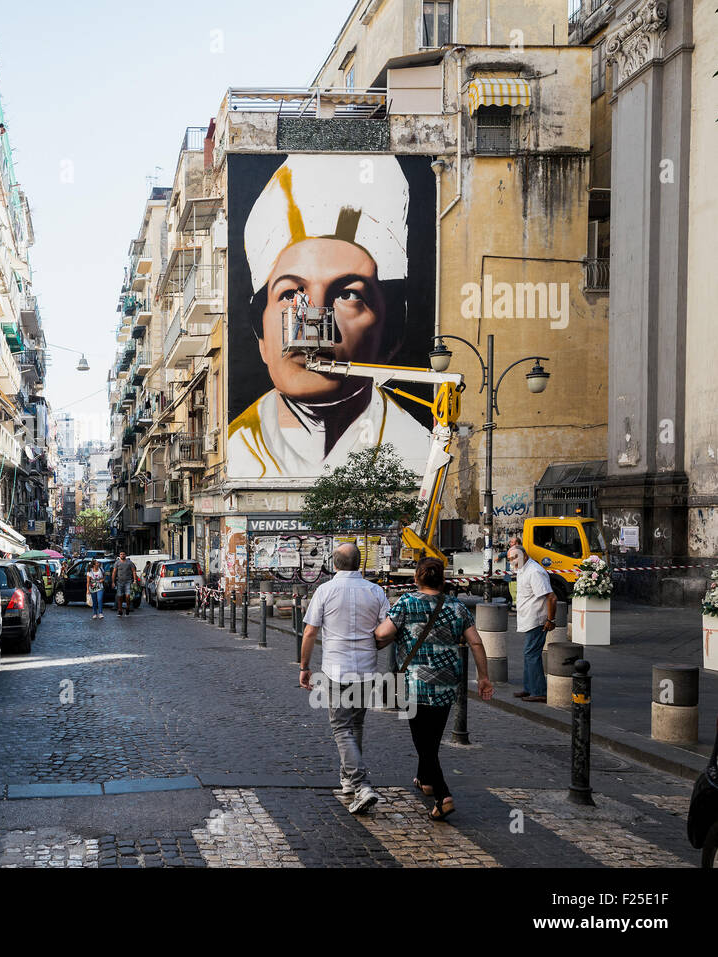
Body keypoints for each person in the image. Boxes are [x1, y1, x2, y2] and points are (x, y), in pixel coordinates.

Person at [227, 155, 431, 479]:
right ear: (260, 335)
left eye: (347, 295)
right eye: (292, 295)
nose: (313, 324)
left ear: (392, 331)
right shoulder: (236, 450)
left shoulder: (420, 451)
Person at [375, 557, 494, 821]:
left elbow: (383, 633)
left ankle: (443, 795)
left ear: (417, 579)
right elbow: (475, 642)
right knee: (432, 737)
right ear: (442, 580)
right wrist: (484, 677)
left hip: (415, 683)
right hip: (447, 682)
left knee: (424, 743)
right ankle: (426, 780)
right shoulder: (457, 606)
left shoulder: (407, 602)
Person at [298, 543, 387, 815]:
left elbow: (311, 632)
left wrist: (304, 666)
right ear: (359, 563)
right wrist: (373, 646)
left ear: (334, 564)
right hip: (366, 668)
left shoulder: (324, 591)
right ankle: (348, 781)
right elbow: (385, 631)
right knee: (355, 725)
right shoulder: (375, 591)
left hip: (337, 669)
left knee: (340, 727)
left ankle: (361, 784)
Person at [509, 543, 556, 702]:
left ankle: (539, 691)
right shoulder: (522, 569)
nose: (512, 561)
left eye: (515, 557)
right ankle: (530, 689)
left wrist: (550, 619)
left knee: (532, 654)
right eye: (510, 559)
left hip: (537, 619)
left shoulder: (535, 571)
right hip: (529, 619)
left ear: (525, 555)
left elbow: (551, 597)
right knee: (529, 654)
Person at [112, 551, 137, 616]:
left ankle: (127, 608)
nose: (122, 555)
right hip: (119, 582)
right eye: (121, 554)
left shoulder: (130, 562)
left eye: (123, 554)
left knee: (128, 596)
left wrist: (134, 580)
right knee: (119, 597)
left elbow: (134, 571)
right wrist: (113, 582)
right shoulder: (117, 563)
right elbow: (114, 572)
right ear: (119, 555)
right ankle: (120, 610)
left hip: (128, 582)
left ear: (125, 555)